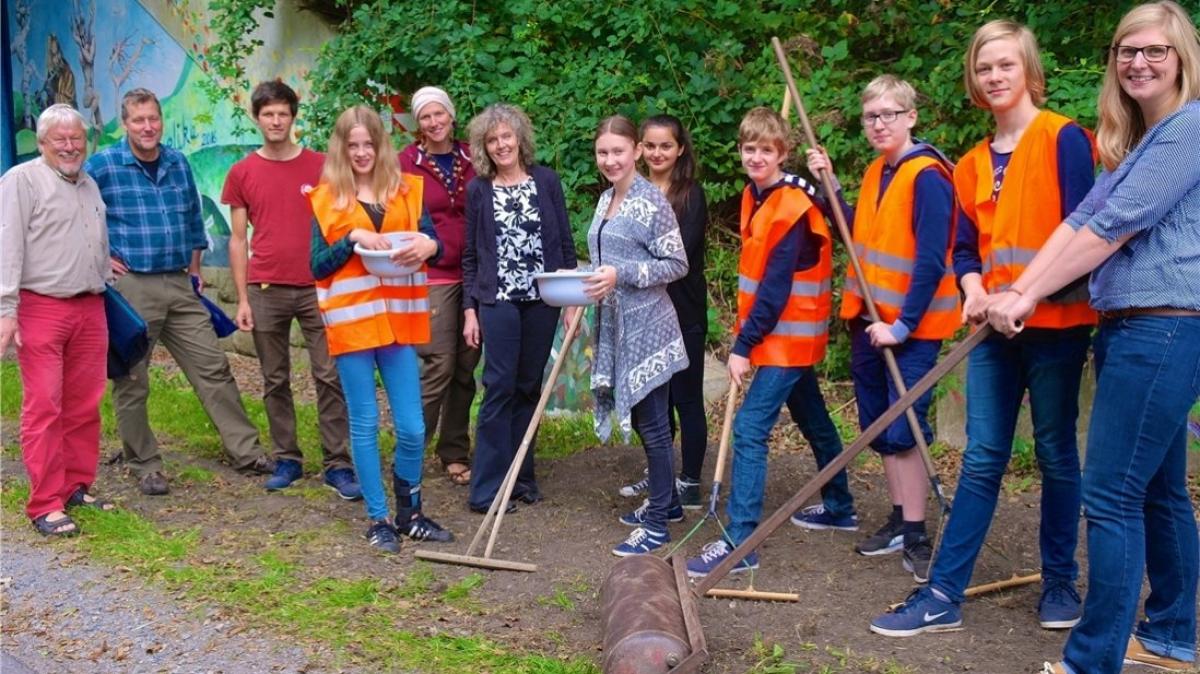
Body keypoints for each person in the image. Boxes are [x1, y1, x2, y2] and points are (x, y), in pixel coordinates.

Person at [986, 4, 1199, 672]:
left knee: (1110, 495)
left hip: (1161, 329)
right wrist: (1020, 291)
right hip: (1136, 328)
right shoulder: (1144, 141)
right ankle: (1169, 637)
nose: (1139, 62)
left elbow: (1114, 229)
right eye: (1127, 51)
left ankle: (1092, 659)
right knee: (1158, 490)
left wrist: (1026, 296)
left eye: (1155, 51)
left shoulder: (1191, 128)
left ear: (1183, 58)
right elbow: (1080, 219)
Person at [870, 21, 1097, 637]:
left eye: (1005, 65)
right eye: (984, 67)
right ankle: (943, 593)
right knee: (982, 457)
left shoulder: (1064, 139)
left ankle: (1061, 583)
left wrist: (1027, 295)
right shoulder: (971, 163)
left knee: (1055, 452)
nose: (994, 77)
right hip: (993, 333)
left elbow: (1085, 230)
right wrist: (973, 291)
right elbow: (966, 248)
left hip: (1056, 325)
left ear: (1029, 70)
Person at [803, 75, 958, 582]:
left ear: (911, 117)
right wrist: (830, 188)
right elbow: (858, 235)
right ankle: (898, 518)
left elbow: (932, 259)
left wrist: (904, 324)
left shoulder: (928, 177)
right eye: (870, 116)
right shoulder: (877, 172)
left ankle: (916, 531)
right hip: (870, 323)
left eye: (889, 114)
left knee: (902, 428)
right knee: (879, 426)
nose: (878, 124)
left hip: (909, 328)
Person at [86, 88, 275, 496]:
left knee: (213, 367)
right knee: (132, 378)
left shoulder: (177, 162)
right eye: (139, 120)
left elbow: (193, 219)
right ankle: (145, 464)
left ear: (161, 120)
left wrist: (194, 268)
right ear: (125, 124)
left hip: (179, 282)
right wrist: (100, 259)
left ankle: (247, 452)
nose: (147, 127)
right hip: (132, 285)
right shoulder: (103, 165)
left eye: (153, 118)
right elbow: (77, 213)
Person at [686, 108, 846, 576]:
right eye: (749, 149)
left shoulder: (792, 206)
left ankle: (741, 541)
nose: (756, 157)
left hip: (788, 337)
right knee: (813, 417)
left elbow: (775, 288)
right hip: (779, 336)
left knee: (750, 427)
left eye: (766, 150)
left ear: (783, 153)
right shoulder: (754, 195)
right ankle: (840, 505)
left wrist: (742, 346)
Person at [309, 105, 454, 552]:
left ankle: (410, 513)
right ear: (341, 148)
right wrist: (352, 238)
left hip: (399, 323)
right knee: (365, 423)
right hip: (353, 324)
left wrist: (429, 245)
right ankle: (379, 518)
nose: (360, 152)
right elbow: (317, 265)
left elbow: (432, 242)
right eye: (352, 145)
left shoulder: (407, 190)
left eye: (368, 144)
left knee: (412, 427)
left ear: (380, 145)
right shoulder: (326, 197)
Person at [221, 80, 359, 500]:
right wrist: (242, 298)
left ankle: (338, 464)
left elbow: (342, 225)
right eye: (268, 114)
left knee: (329, 375)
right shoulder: (242, 172)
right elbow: (238, 239)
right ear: (257, 118)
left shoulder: (321, 166)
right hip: (265, 287)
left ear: (293, 117)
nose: (276, 121)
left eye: (283, 113)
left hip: (320, 286)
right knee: (274, 377)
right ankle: (287, 459)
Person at [0, 104, 114, 536]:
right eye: (59, 140)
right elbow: (7, 246)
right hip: (41, 305)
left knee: (84, 405)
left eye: (76, 139)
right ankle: (45, 502)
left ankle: (75, 486)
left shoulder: (88, 184)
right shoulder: (21, 180)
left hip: (90, 306)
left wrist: (104, 273)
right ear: (42, 143)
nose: (69, 147)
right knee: (45, 405)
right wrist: (6, 310)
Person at [581, 115, 688, 556]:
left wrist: (621, 273)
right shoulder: (606, 198)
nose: (610, 160)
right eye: (603, 152)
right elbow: (600, 261)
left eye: (618, 151)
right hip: (614, 325)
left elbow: (677, 264)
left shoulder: (650, 202)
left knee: (655, 425)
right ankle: (670, 503)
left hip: (648, 328)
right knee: (648, 424)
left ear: (636, 152)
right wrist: (579, 291)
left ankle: (658, 523)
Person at [461, 104, 576, 514]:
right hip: (500, 300)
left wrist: (570, 299)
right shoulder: (479, 190)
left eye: (506, 136)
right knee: (499, 387)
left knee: (529, 387)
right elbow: (470, 256)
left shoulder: (546, 181)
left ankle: (521, 478)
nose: (501, 145)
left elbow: (564, 243)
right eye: (492, 140)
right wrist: (470, 310)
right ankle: (486, 489)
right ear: (484, 147)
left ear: (520, 138)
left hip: (543, 299)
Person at [616, 115, 709, 509]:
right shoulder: (631, 192)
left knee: (686, 397)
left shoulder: (691, 195)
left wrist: (632, 266)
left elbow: (677, 255)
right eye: (650, 146)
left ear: (680, 149)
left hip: (682, 309)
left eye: (665, 146)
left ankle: (689, 480)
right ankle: (661, 475)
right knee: (653, 401)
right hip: (642, 311)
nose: (657, 153)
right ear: (640, 149)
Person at [399, 86, 480, 488]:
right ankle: (410, 451)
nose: (433, 123)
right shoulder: (406, 163)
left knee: (466, 368)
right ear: (418, 122)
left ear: (451, 115)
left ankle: (454, 451)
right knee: (439, 365)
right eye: (425, 117)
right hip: (434, 275)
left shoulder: (473, 157)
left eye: (439, 114)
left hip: (475, 274)